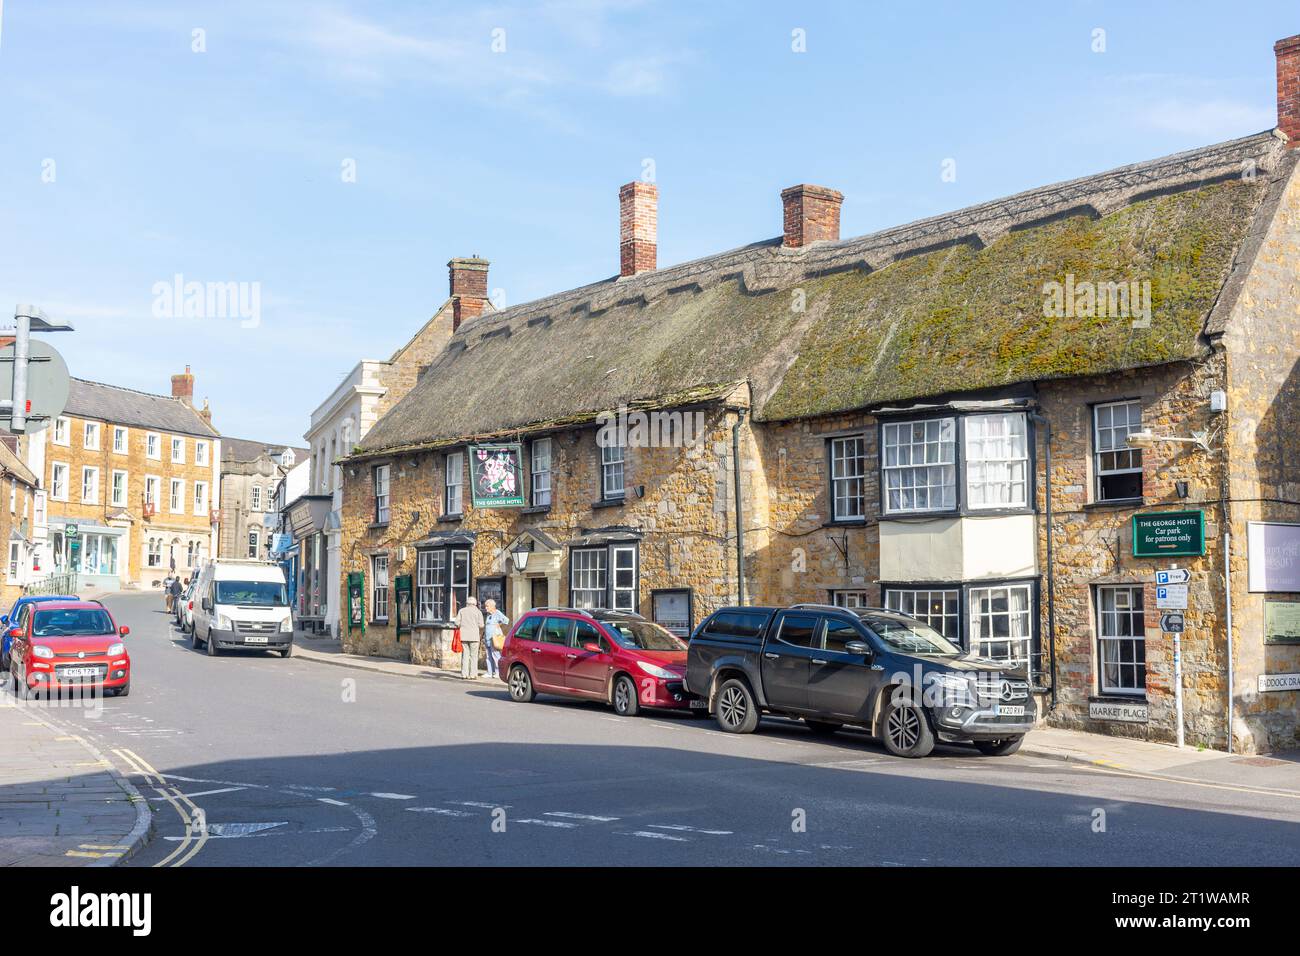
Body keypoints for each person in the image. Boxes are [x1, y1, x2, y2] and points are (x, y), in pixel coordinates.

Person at [455, 595, 485, 680]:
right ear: (475, 604)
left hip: (464, 636)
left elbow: (456, 623)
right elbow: (481, 625)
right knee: (473, 656)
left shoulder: (462, 611)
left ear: (467, 603)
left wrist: (463, 625)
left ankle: (464, 674)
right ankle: (473, 674)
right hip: (474, 636)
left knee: (465, 655)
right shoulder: (478, 612)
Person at [483, 599, 509, 680]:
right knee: (488, 656)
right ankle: (490, 672)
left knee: (496, 656)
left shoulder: (497, 613)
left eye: (487, 606)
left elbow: (506, 620)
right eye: (485, 606)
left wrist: (499, 624)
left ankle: (498, 672)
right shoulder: (488, 615)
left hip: (494, 638)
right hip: (487, 638)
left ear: (492, 606)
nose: (485, 608)